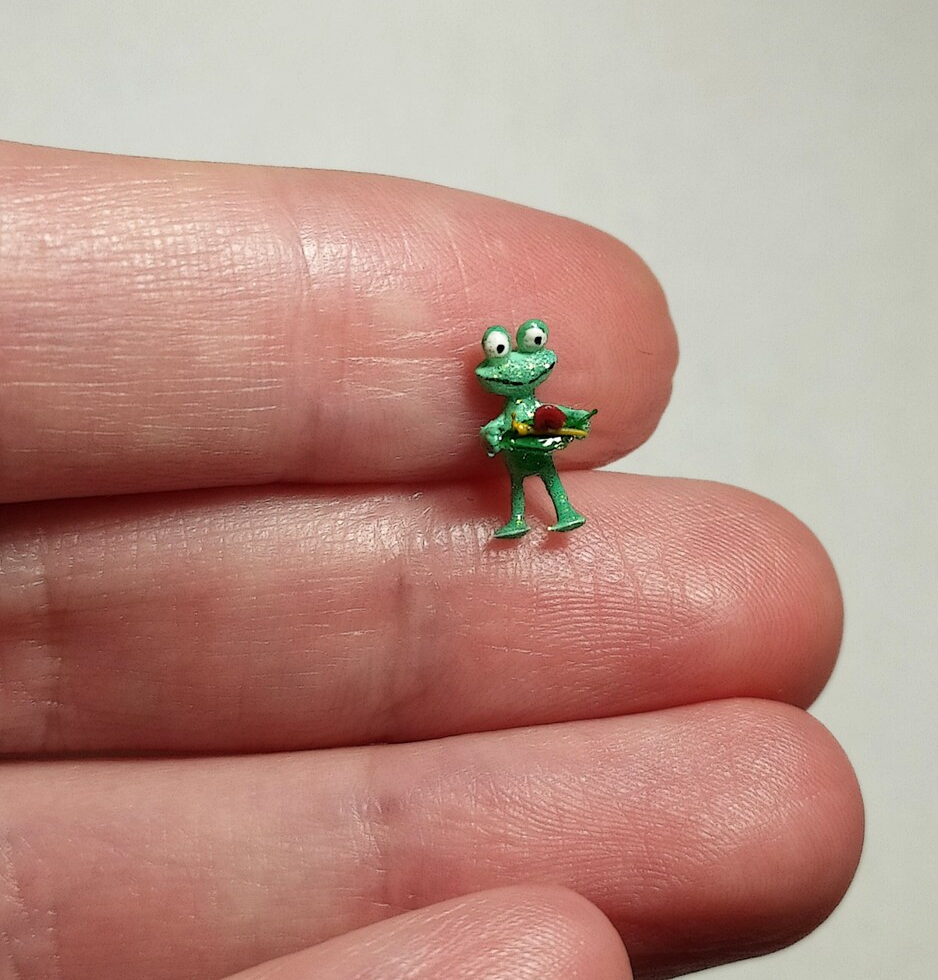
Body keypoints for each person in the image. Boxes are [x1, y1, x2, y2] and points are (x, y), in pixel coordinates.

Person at [0, 141, 863, 980]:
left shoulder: (532, 403)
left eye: (523, 348)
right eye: (505, 351)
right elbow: (506, 427)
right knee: (534, 492)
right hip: (515, 460)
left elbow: (545, 423)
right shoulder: (501, 409)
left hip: (531, 458)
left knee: (550, 492)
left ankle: (548, 515)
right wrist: (505, 432)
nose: (517, 359)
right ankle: (539, 516)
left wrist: (539, 431)